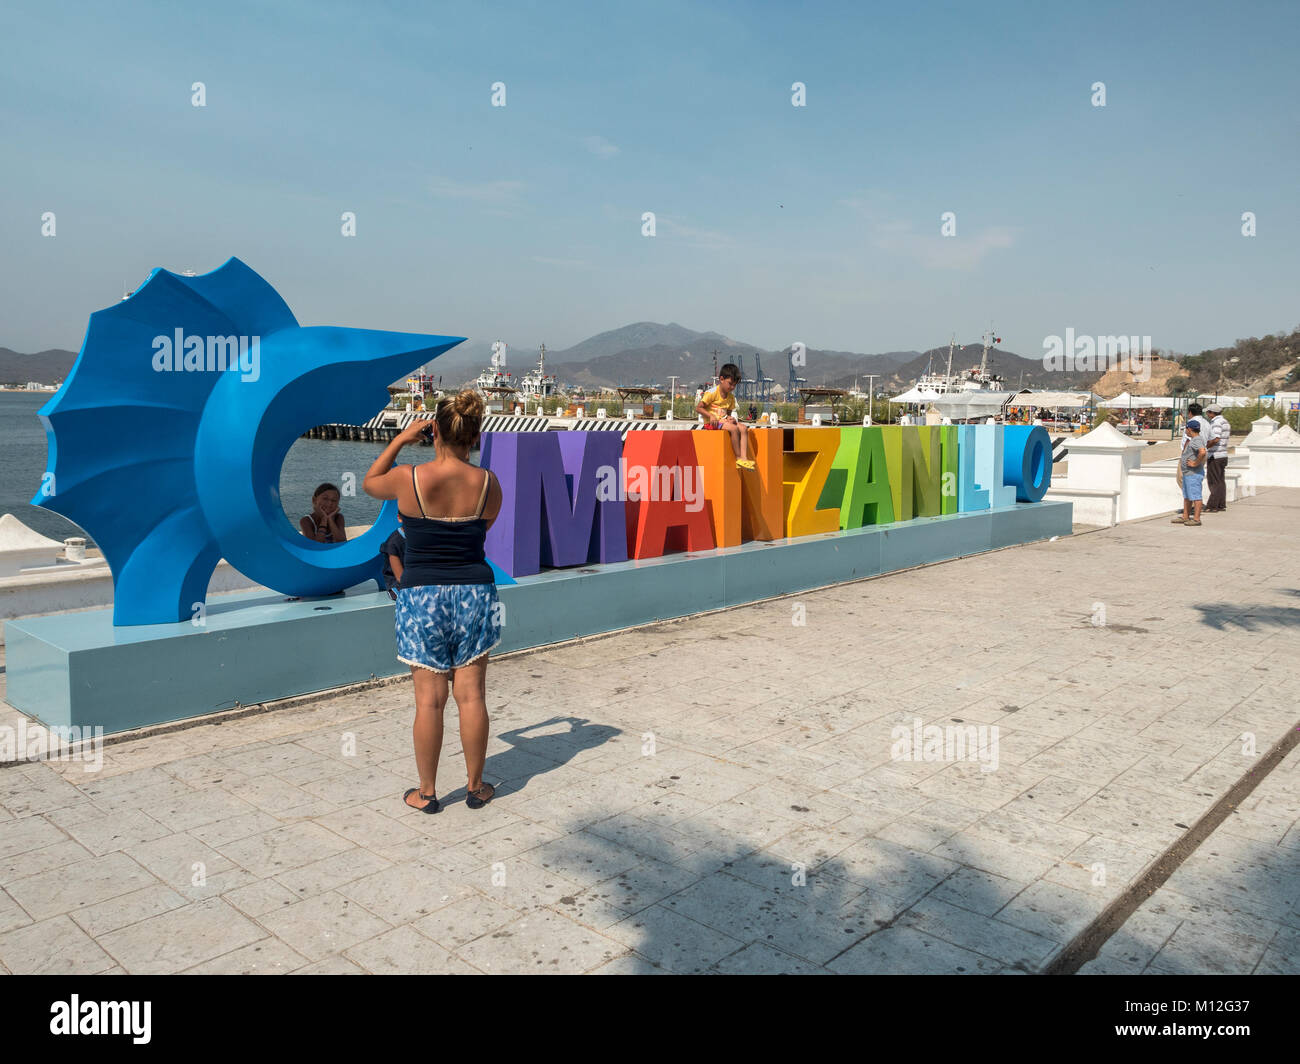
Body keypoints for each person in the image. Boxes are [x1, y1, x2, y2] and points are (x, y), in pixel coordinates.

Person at [362, 390, 503, 813]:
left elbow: (370, 483)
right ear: (474, 435)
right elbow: (483, 530)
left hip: (422, 595)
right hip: (475, 592)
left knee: (429, 701)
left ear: (435, 430)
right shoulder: (489, 483)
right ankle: (476, 787)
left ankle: (426, 793)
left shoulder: (409, 478)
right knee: (472, 695)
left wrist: (401, 440)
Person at [696, 363, 755, 469]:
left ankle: (744, 458)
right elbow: (699, 408)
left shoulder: (731, 397)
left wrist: (729, 417)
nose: (732, 387)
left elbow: (727, 413)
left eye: (734, 385)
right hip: (711, 423)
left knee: (743, 428)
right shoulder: (712, 393)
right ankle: (738, 458)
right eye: (730, 383)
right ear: (722, 379)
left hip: (722, 421)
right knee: (733, 428)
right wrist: (710, 416)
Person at [1173, 420, 1207, 526]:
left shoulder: (1196, 440)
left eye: (1186, 429)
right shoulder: (1194, 439)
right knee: (1187, 495)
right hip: (1188, 473)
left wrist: (1195, 463)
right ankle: (1185, 516)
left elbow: (1202, 452)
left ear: (1189, 429)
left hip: (1193, 473)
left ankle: (1196, 519)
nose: (1185, 432)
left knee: (1195, 496)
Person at [1203, 403, 1231, 512]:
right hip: (1223, 454)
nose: (1207, 414)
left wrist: (1206, 447)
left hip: (1215, 455)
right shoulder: (1225, 422)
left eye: (1208, 412)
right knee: (1220, 481)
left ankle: (1212, 505)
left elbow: (1215, 438)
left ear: (1212, 413)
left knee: (1213, 481)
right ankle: (1220, 504)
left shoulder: (1216, 423)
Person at [379, 515, 406, 600]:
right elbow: (399, 577)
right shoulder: (394, 542)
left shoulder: (418, 537)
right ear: (400, 518)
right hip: (396, 581)